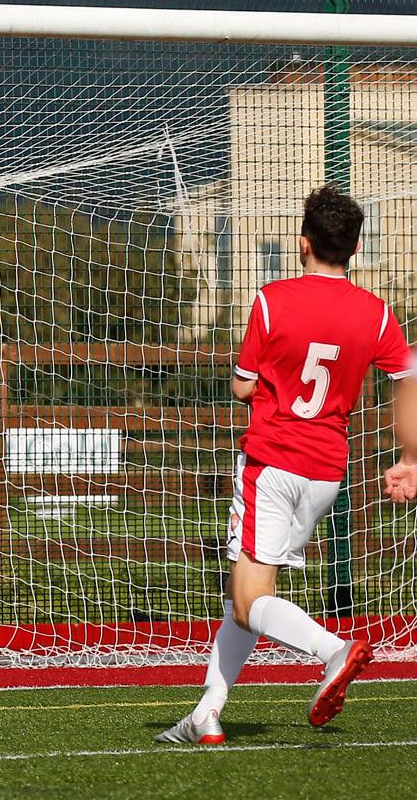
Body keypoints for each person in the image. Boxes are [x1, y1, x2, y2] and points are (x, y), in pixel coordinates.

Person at [157, 185, 412, 744]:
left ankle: (334, 650)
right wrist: (411, 457)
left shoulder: (273, 300)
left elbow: (244, 385)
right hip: (326, 472)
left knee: (250, 601)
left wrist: (253, 383)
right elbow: (407, 378)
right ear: (356, 248)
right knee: (243, 594)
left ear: (302, 244)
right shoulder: (376, 313)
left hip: (272, 461)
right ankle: (207, 713)